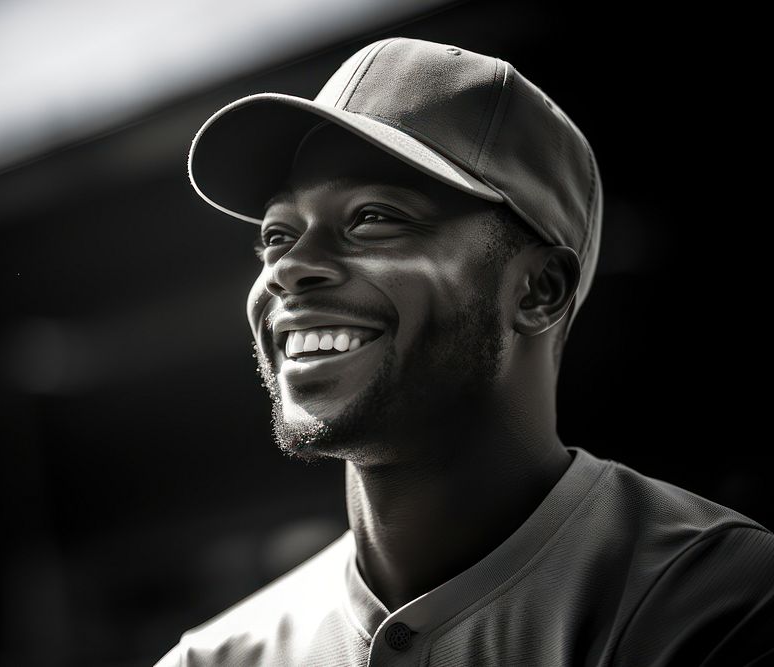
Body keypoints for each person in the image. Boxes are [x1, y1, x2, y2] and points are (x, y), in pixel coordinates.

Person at [155, 37, 774, 666]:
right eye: (277, 235)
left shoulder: (717, 598)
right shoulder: (212, 659)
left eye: (373, 218)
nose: (289, 268)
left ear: (539, 289)